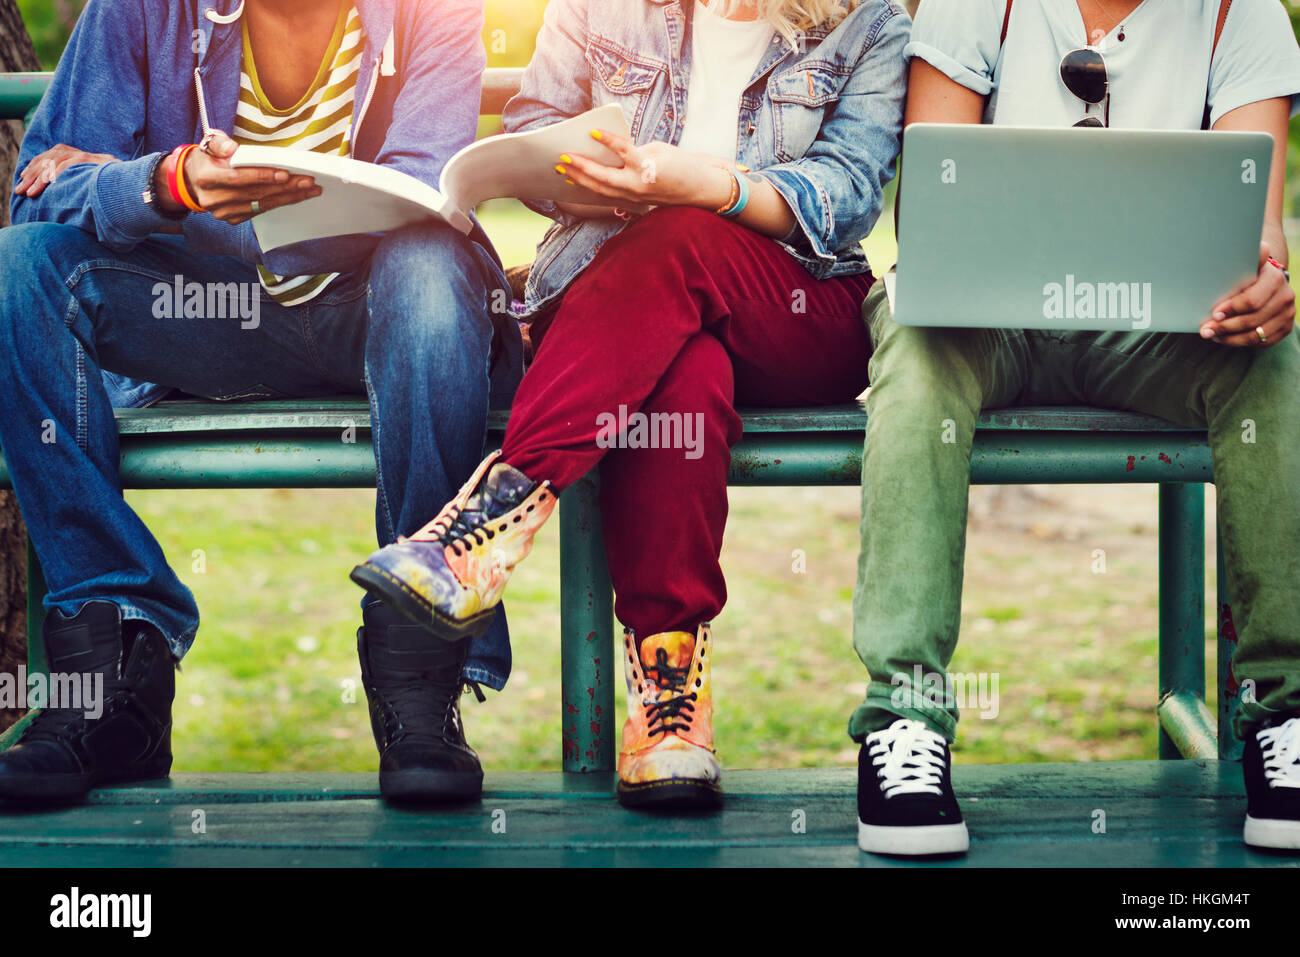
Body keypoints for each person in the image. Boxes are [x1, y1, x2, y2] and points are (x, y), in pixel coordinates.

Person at [351, 0, 908, 809]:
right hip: (614, 314)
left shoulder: (870, 23)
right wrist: (593, 189)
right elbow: (534, 124)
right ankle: (669, 705)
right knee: (685, 370)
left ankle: (494, 516)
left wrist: (706, 187)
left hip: (792, 309)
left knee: (684, 235)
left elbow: (846, 194)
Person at [0, 0, 522, 806]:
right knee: (21, 265)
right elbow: (37, 197)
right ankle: (111, 672)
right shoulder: (141, 10)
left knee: (427, 259)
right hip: (206, 317)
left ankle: (420, 674)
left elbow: (429, 194)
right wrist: (167, 181)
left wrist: (186, 194)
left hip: (383, 314)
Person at [851, 0, 1300, 856]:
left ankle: (1288, 715)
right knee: (914, 344)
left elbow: (1260, 236)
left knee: (1273, 360)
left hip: (1155, 331)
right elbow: (930, 219)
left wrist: (1269, 280)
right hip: (983, 321)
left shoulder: (1242, 15)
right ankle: (904, 725)